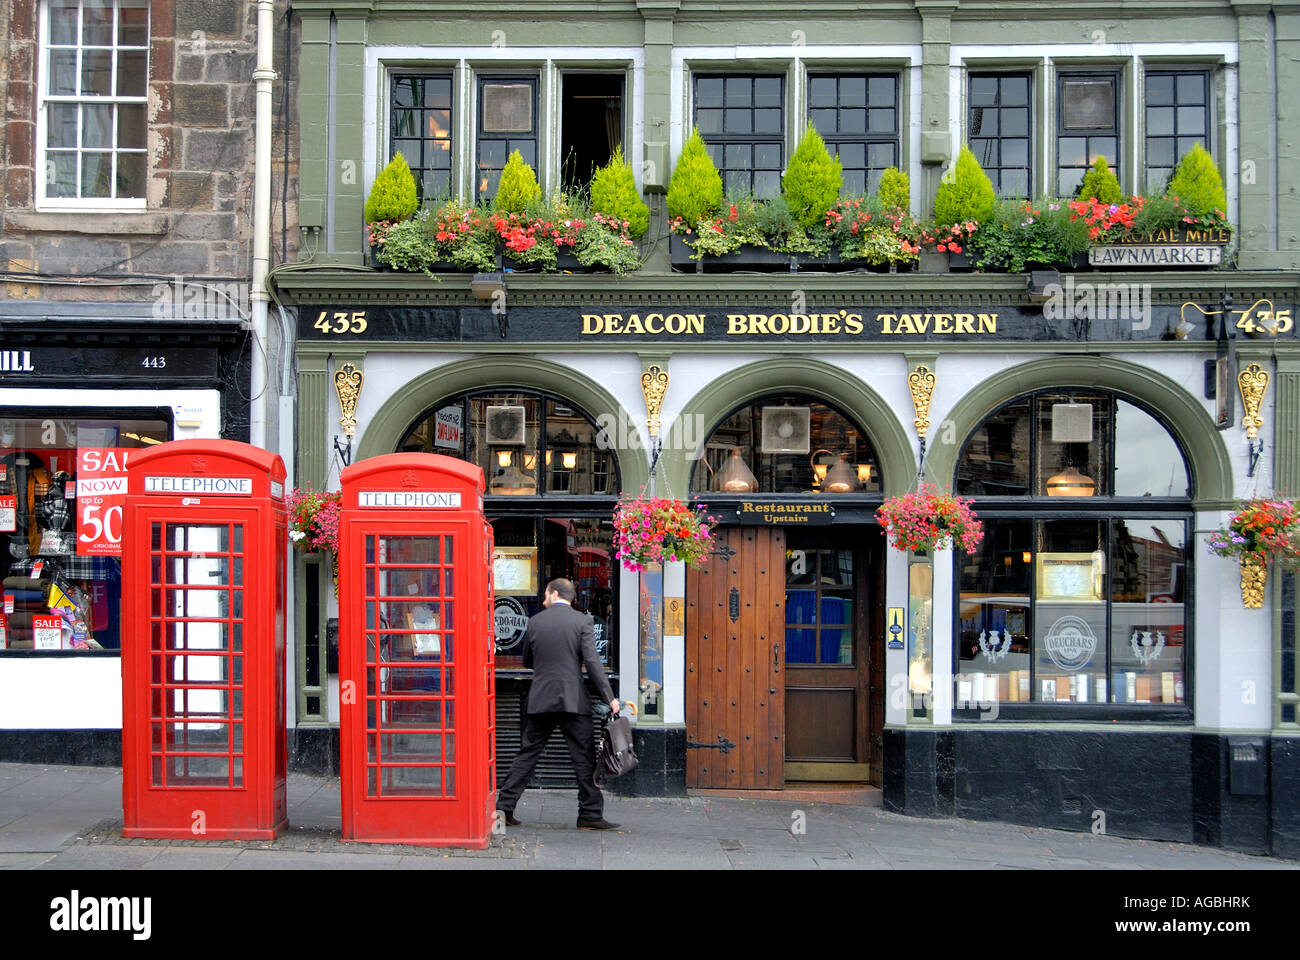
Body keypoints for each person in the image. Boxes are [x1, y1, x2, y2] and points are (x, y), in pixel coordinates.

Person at [497, 578, 622, 830]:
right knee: (584, 758)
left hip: (540, 697)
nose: (543, 599)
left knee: (527, 754)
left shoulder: (535, 621)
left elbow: (527, 661)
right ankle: (589, 814)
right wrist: (609, 697)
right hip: (573, 699)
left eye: (545, 594)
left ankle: (504, 808)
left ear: (554, 594)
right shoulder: (582, 621)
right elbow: (593, 663)